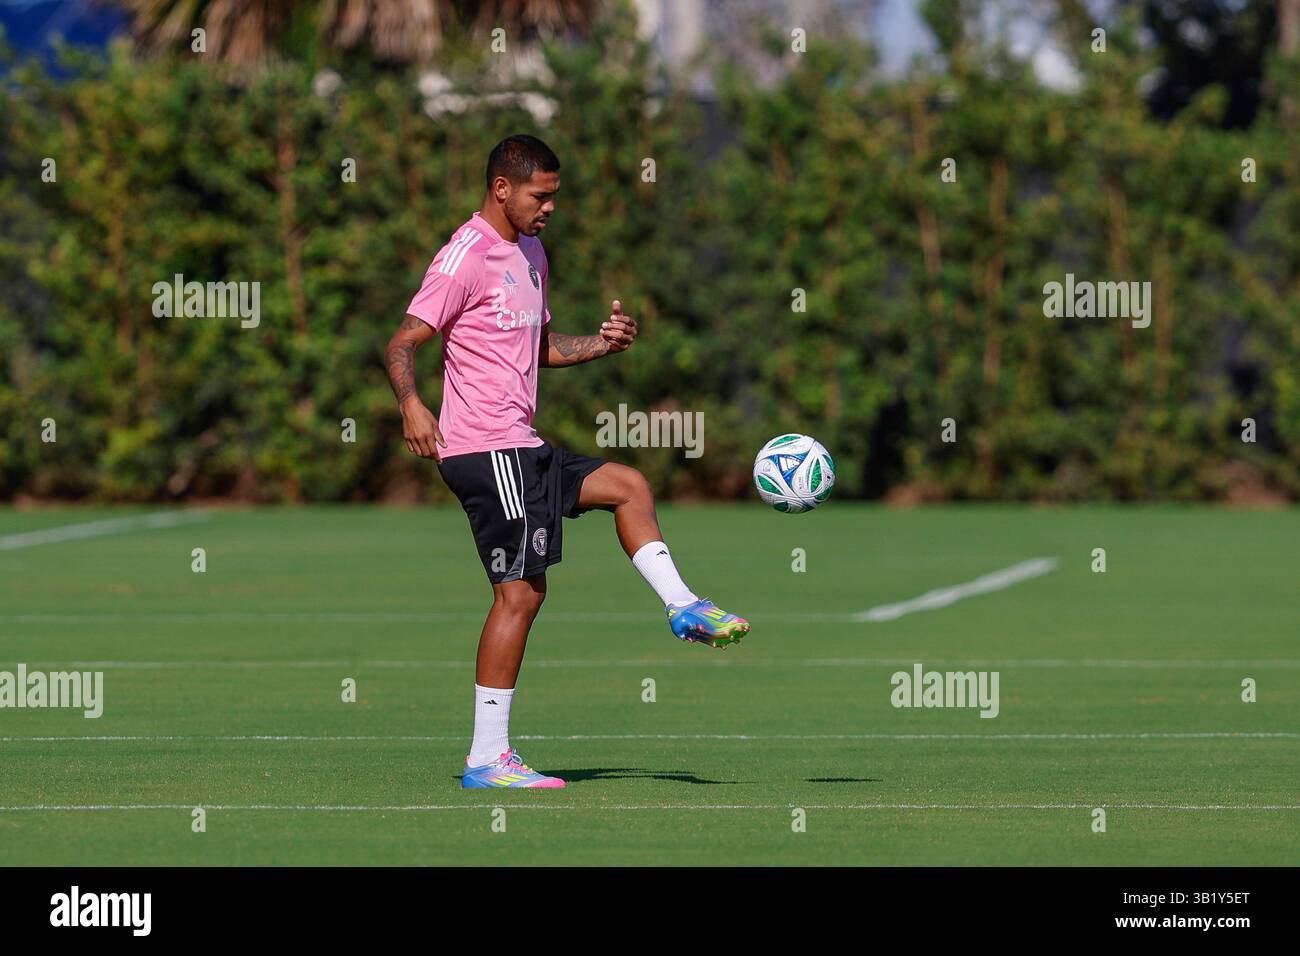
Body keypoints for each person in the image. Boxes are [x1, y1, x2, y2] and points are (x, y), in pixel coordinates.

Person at [385, 134, 748, 789]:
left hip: (522, 445)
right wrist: (411, 404)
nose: (550, 206)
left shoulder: (532, 252)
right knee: (519, 594)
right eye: (539, 195)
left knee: (629, 486)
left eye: (554, 195)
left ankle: (684, 607)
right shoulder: (463, 255)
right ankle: (487, 759)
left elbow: (538, 344)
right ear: (502, 188)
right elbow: (405, 340)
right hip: (484, 450)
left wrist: (601, 347)